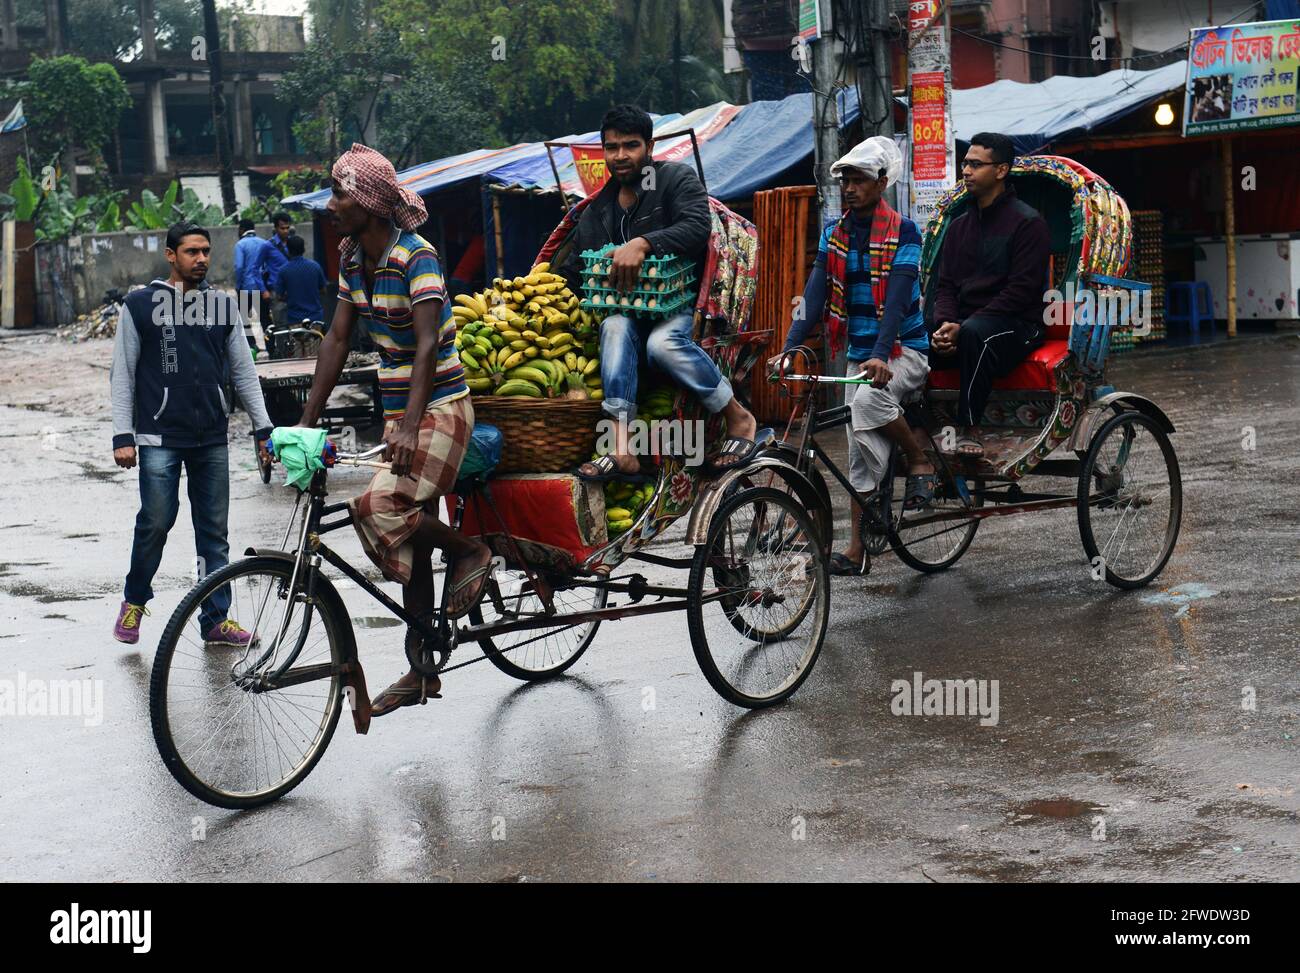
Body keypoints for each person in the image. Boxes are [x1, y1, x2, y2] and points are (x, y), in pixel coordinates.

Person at [295, 143, 488, 717]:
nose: (331, 204)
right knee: (401, 520)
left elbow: (428, 345)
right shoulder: (352, 259)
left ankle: (469, 550)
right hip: (400, 417)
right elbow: (335, 340)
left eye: (340, 193)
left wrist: (408, 426)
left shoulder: (416, 256)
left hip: (443, 412)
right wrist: (304, 424)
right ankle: (421, 666)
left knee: (378, 506)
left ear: (373, 203)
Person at [562, 104, 759, 480]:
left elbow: (697, 227)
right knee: (614, 327)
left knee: (661, 345)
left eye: (631, 145)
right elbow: (576, 270)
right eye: (612, 147)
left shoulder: (671, 180)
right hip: (626, 312)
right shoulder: (597, 210)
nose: (621, 156)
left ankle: (738, 415)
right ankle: (622, 450)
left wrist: (644, 243)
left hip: (680, 305)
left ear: (649, 146)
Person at [770, 137, 933, 576]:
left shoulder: (906, 232)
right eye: (845, 179)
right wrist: (788, 349)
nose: (849, 187)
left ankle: (917, 457)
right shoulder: (833, 235)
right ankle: (857, 550)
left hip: (904, 351)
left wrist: (882, 355)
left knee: (866, 403)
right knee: (855, 452)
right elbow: (813, 296)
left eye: (859, 178)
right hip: (859, 356)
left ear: (882, 182)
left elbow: (898, 300)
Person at [110, 222, 273, 646]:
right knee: (156, 520)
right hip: (158, 436)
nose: (201, 259)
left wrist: (263, 427)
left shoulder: (223, 307)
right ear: (170, 255)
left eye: (205, 251)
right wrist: (122, 435)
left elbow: (243, 370)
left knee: (214, 532)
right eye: (191, 252)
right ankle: (134, 599)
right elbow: (122, 375)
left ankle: (216, 619)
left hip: (211, 437)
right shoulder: (140, 305)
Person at [928, 132, 1050, 458]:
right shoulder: (958, 227)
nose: (966, 171)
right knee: (917, 333)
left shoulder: (1028, 223)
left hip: (1019, 324)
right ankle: (918, 431)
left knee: (974, 334)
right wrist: (943, 325)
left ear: (1001, 170)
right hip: (967, 325)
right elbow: (946, 287)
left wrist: (964, 325)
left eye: (976, 164)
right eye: (965, 163)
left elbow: (1020, 292)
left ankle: (969, 429)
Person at [276, 233, 327, 327]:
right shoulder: (315, 266)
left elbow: (279, 296)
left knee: (296, 341)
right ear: (303, 249)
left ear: (288, 250)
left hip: (294, 319)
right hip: (315, 318)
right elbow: (323, 290)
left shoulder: (283, 270)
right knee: (316, 341)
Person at [258, 211, 294, 328]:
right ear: (275, 228)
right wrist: (263, 290)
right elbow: (255, 269)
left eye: (287, 228)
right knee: (281, 327)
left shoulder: (293, 243)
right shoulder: (267, 245)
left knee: (295, 327)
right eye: (282, 228)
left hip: (293, 291)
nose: (285, 231)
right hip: (276, 292)